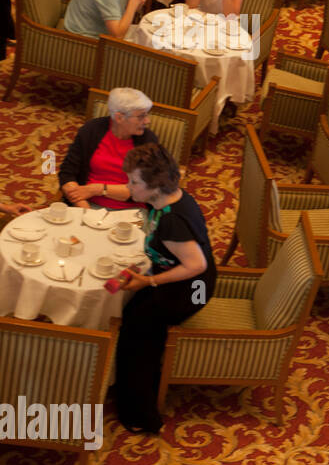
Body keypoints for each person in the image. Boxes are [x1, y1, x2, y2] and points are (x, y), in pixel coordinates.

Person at [113, 143, 216, 434]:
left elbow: (196, 266)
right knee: (130, 310)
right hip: (176, 276)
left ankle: (141, 416)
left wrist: (150, 281)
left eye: (134, 182)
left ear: (155, 185)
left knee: (136, 335)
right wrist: (145, 269)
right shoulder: (170, 200)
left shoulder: (173, 221)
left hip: (189, 291)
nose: (128, 186)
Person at [59, 87, 161, 210]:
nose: (147, 121)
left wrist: (97, 189)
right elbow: (67, 173)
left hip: (130, 210)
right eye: (141, 116)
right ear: (119, 118)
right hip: (85, 204)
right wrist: (84, 209)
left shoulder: (148, 141)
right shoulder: (91, 130)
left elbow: (145, 189)